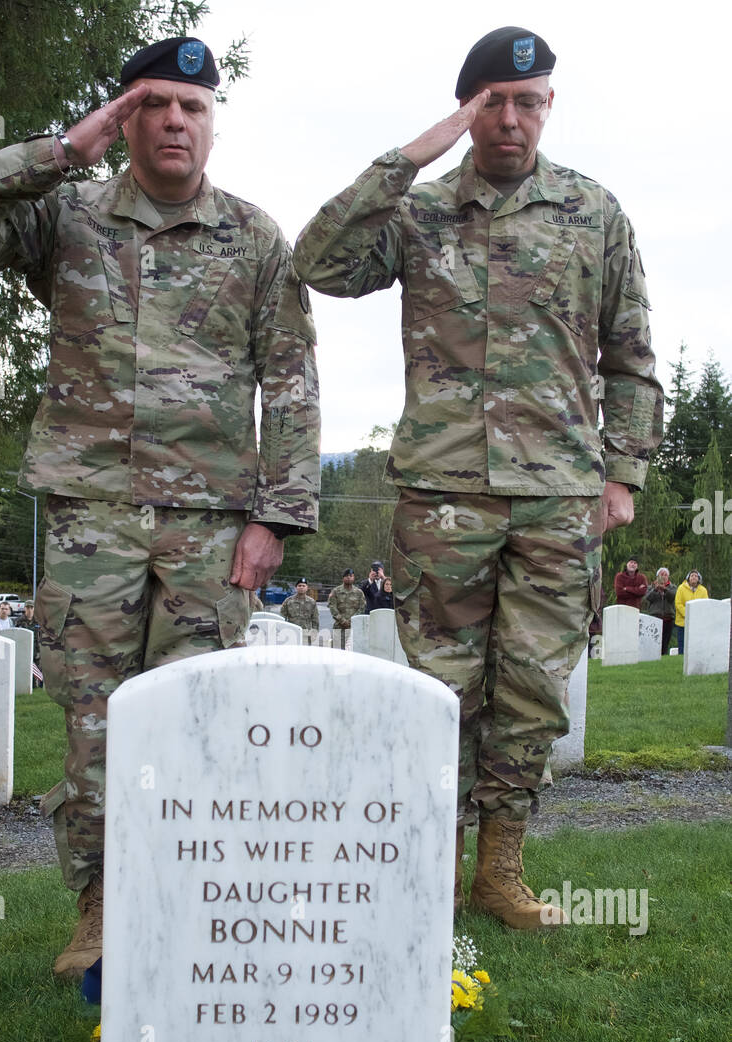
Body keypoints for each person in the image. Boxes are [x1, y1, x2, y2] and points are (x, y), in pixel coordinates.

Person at [0, 36, 319, 978]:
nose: (175, 121)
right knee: (95, 727)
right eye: (154, 104)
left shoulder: (256, 239)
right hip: (90, 521)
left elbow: (292, 387)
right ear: (126, 117)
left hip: (209, 531)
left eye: (193, 107)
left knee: (200, 729)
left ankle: (189, 909)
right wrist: (62, 150)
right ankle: (97, 911)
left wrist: (274, 520)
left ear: (213, 125)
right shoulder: (68, 216)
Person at [294, 26, 663, 931]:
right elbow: (319, 261)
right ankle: (434, 864)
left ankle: (501, 867)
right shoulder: (418, 215)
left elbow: (633, 355)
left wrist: (624, 477)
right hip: (443, 494)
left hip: (559, 495)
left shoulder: (593, 212)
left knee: (533, 688)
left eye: (526, 100)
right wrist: (417, 152)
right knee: (439, 690)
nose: (509, 118)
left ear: (548, 108)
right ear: (469, 111)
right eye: (490, 101)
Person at [328, 568, 366, 648]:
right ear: (343, 578)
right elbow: (332, 607)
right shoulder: (336, 591)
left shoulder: (359, 592)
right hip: (339, 626)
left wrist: (352, 621)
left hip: (354, 627)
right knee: (337, 651)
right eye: (346, 576)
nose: (349, 577)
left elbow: (362, 608)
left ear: (354, 577)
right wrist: (342, 620)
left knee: (354, 650)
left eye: (351, 576)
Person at [674, 570, 709, 655]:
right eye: (692, 576)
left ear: (699, 579)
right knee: (682, 643)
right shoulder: (681, 588)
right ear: (688, 578)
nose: (694, 577)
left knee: (695, 643)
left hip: (697, 622)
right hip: (683, 622)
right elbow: (678, 603)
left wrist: (696, 615)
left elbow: (705, 604)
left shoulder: (703, 590)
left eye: (696, 576)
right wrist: (688, 614)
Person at [642, 567, 675, 655]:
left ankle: (663, 656)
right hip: (655, 617)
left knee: (665, 641)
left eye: (665, 575)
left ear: (668, 577)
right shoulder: (651, 587)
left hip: (668, 618)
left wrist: (665, 589)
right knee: (654, 640)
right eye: (661, 575)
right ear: (657, 576)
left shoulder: (672, 587)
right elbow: (647, 598)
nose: (663, 577)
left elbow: (673, 597)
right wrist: (655, 589)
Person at [15, 600, 43, 685]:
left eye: (31, 607)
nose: (29, 610)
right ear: (24, 608)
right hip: (24, 649)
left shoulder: (39, 621)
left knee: (37, 670)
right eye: (27, 607)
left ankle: (36, 685)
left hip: (36, 649)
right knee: (25, 669)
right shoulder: (19, 621)